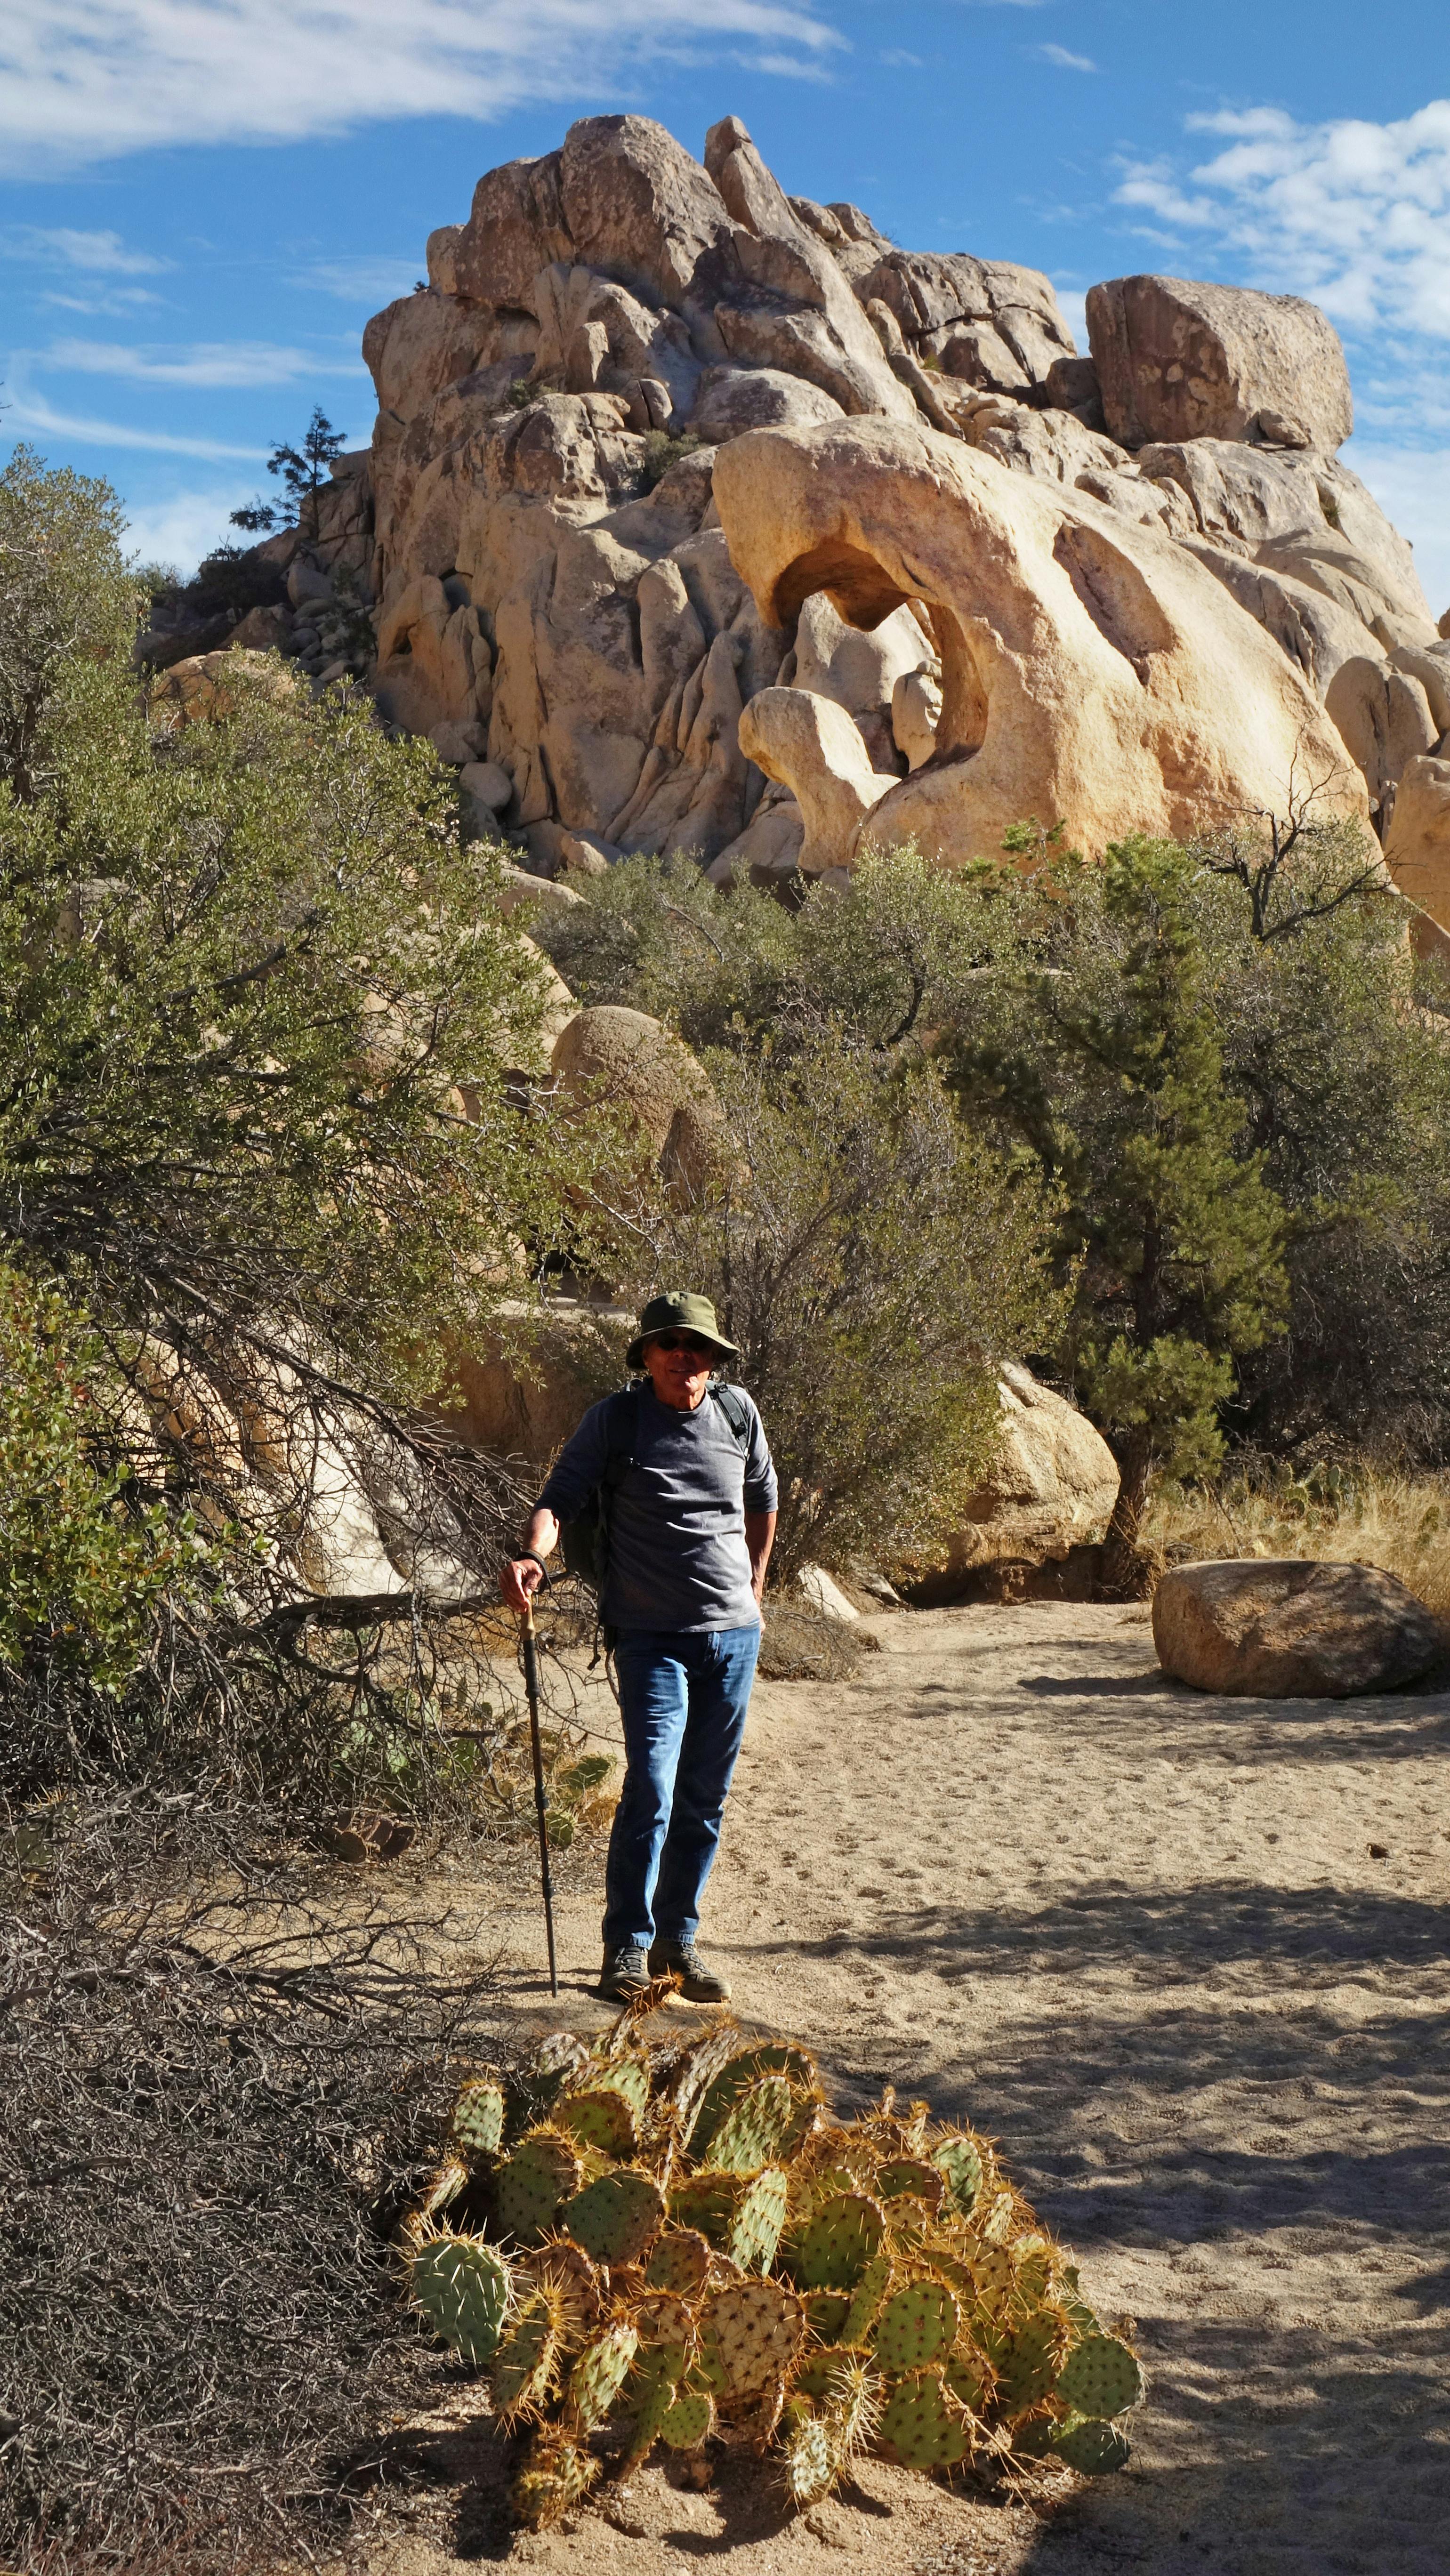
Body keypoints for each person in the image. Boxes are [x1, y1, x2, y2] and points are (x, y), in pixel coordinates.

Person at [500, 1291, 777, 2004]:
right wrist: (533, 1556)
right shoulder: (617, 1420)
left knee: (704, 1796)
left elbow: (762, 1497)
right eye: (672, 1344)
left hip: (734, 1639)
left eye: (701, 1348)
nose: (687, 1358)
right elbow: (559, 1498)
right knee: (653, 1785)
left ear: (715, 1360)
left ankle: (676, 1942)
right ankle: (626, 1945)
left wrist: (756, 1584)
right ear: (648, 1354)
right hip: (651, 1638)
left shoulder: (739, 1414)